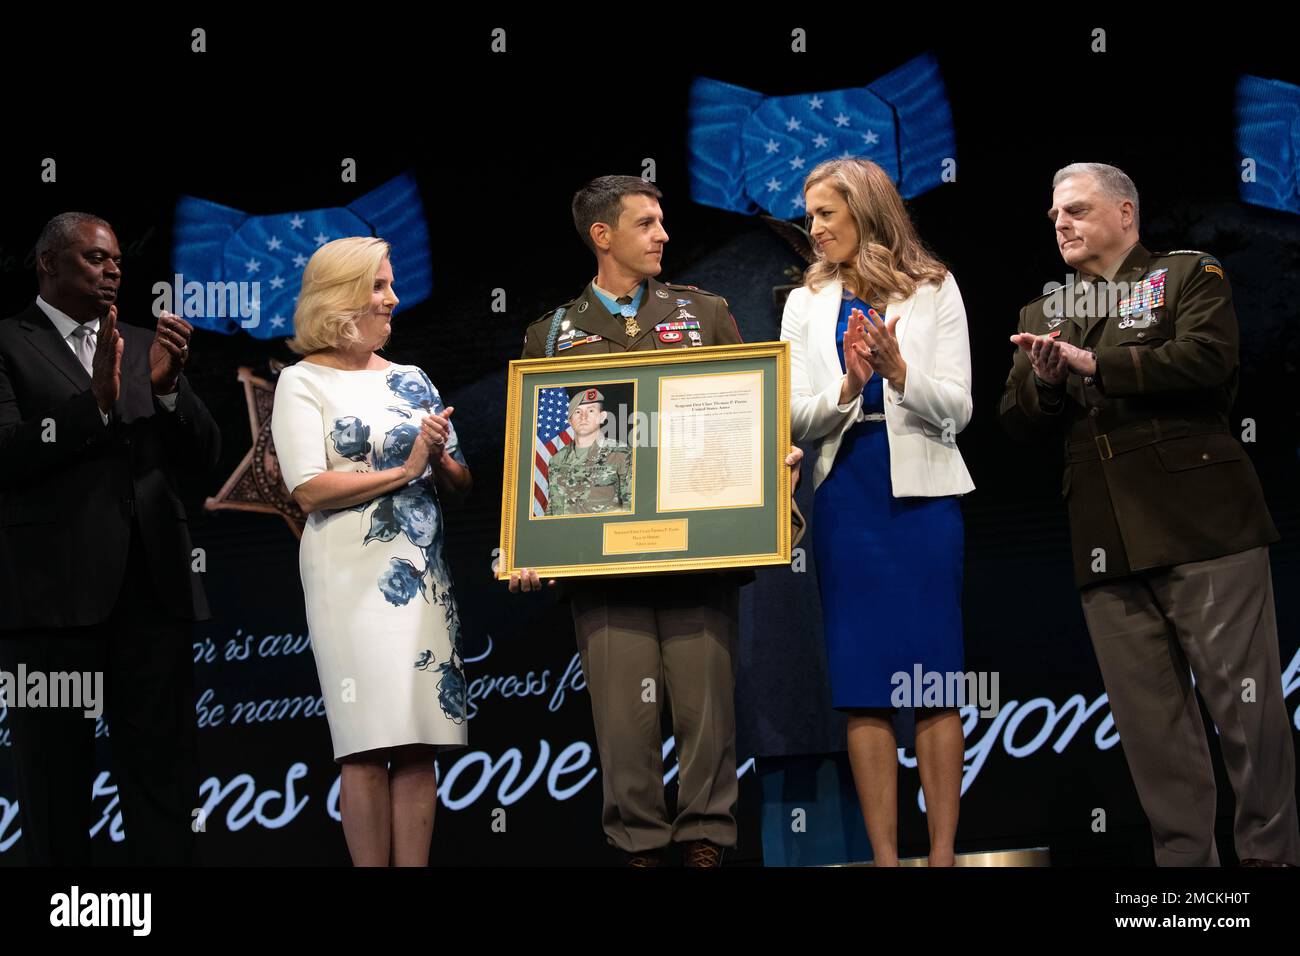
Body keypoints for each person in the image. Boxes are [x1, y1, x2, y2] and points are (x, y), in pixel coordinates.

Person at [1000, 162, 1298, 867]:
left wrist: (1098, 365)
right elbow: (1017, 424)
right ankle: (1187, 882)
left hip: (1204, 524)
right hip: (1106, 541)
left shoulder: (1187, 274)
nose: (1061, 225)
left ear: (1126, 213)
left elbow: (1208, 359)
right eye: (1053, 217)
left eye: (1075, 210)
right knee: (1152, 731)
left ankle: (1272, 862)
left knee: (1247, 715)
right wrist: (1044, 384)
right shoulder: (1041, 313)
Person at [512, 175, 803, 866]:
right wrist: (531, 542)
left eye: (662, 221)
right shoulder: (552, 332)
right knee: (623, 720)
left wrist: (773, 467)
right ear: (602, 236)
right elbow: (538, 461)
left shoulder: (704, 313)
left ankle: (706, 842)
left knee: (708, 715)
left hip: (698, 550)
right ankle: (639, 848)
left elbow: (743, 413)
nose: (664, 235)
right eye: (646, 223)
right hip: (602, 563)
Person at [0, 211, 220, 865]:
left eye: (118, 259)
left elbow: (206, 456)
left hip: (150, 605)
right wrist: (93, 405)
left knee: (162, 780)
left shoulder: (142, 342)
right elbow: (6, 453)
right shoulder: (8, 344)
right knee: (55, 783)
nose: (114, 269)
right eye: (96, 259)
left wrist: (171, 388)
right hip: (50, 611)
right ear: (49, 264)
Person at [780, 159, 974, 866]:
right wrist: (848, 383)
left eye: (826, 213)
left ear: (865, 210)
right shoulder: (806, 303)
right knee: (863, 686)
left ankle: (944, 854)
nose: (815, 227)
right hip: (846, 494)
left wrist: (898, 374)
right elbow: (795, 417)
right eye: (811, 215)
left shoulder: (935, 288)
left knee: (935, 678)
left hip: (922, 496)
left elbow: (960, 407)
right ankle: (887, 860)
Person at [271, 236, 472, 866]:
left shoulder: (412, 379)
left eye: (390, 284)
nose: (393, 299)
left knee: (418, 740)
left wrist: (437, 458)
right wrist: (406, 465)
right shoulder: (302, 383)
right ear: (341, 299)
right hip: (350, 582)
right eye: (379, 287)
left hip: (421, 573)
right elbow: (308, 490)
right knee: (363, 743)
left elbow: (460, 482)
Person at [544, 388, 632, 516]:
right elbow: (551, 510)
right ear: (570, 420)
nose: (583, 417)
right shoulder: (556, 460)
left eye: (591, 411)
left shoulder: (621, 454)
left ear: (602, 417)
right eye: (577, 412)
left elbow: (632, 508)